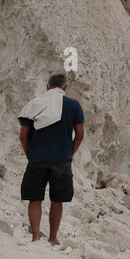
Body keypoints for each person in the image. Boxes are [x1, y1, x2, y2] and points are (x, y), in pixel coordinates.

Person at [17, 73, 84, 244]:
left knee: (34, 198)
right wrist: (70, 153)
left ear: (47, 87)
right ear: (65, 88)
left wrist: (29, 153)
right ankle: (53, 238)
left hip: (37, 159)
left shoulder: (35, 103)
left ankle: (36, 237)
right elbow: (80, 134)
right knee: (57, 200)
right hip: (62, 160)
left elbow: (23, 135)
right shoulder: (73, 105)